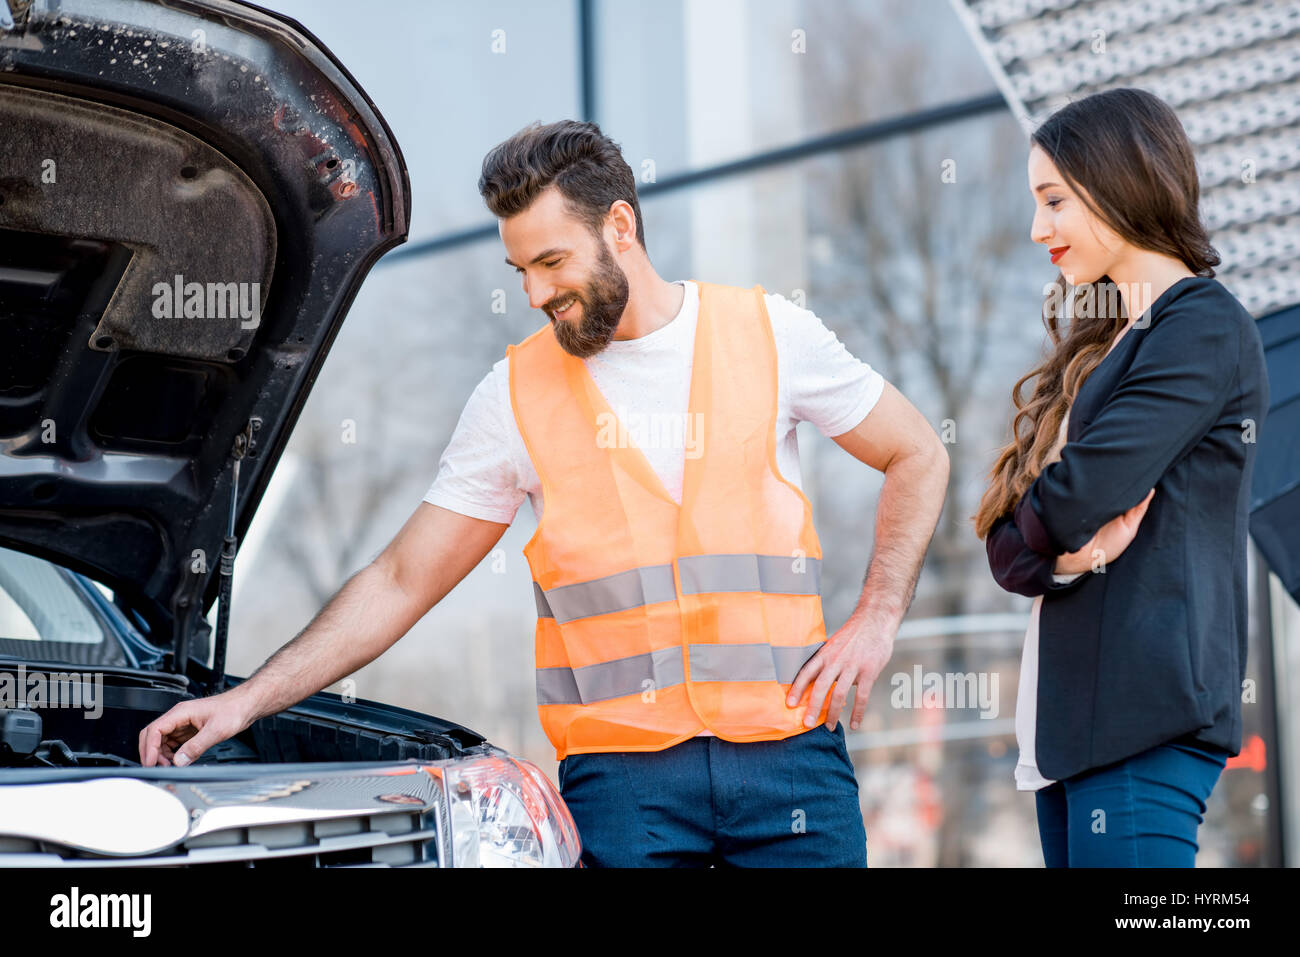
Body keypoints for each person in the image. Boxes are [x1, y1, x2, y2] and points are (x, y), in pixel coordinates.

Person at [138, 119, 950, 868]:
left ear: (620, 228)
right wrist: (244, 702)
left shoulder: (771, 335)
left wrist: (877, 619)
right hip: (624, 791)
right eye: (520, 269)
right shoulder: (512, 396)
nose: (534, 292)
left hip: (792, 767)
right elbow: (400, 579)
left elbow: (917, 452)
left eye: (551, 261)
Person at [975, 87, 1270, 867]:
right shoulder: (1103, 347)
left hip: (1143, 719)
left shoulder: (1201, 324)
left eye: (1055, 201)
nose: (1039, 229)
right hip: (1070, 733)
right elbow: (1007, 550)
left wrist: (1051, 539)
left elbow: (1072, 499)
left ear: (1116, 183)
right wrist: (1062, 556)